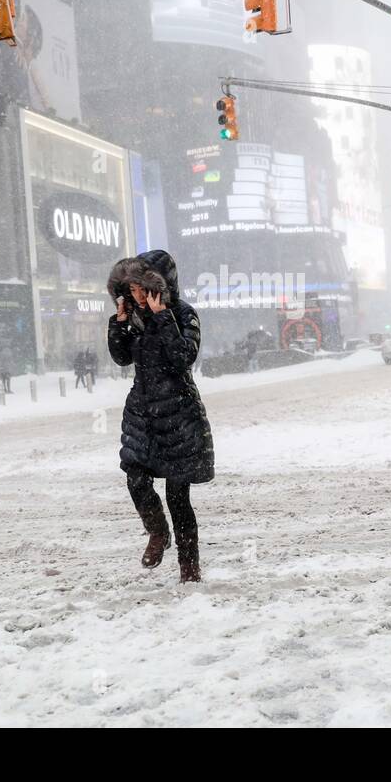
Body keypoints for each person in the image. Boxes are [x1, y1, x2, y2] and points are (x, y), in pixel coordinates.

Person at [107, 250, 214, 583]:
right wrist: (120, 324)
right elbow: (121, 358)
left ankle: (189, 567)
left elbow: (184, 356)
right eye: (131, 289)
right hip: (142, 412)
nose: (136, 295)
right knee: (135, 476)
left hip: (179, 414)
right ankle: (157, 531)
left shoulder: (182, 313)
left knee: (177, 496)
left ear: (159, 286)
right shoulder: (133, 315)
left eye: (141, 288)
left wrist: (163, 317)